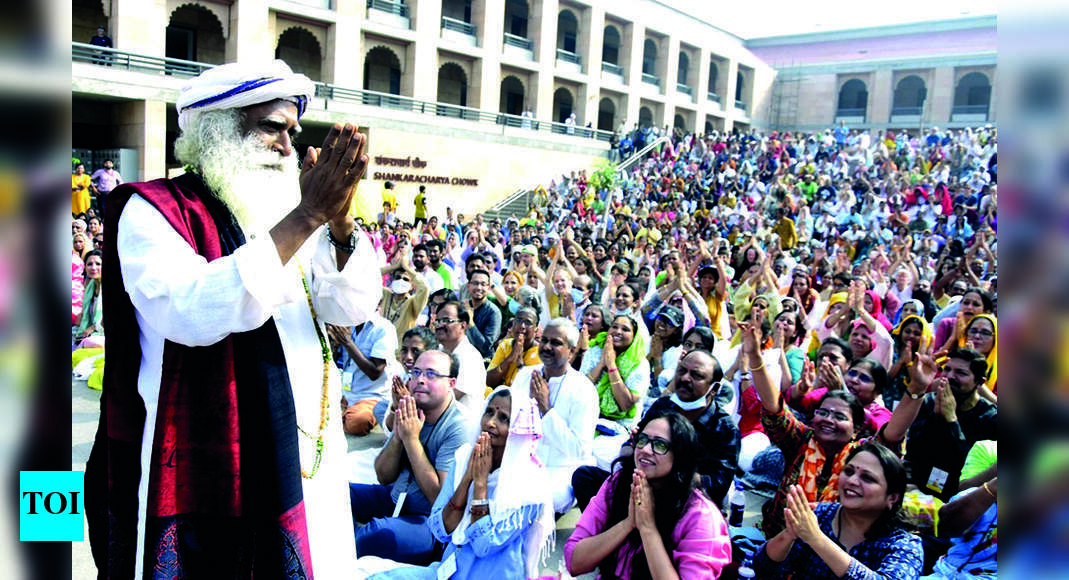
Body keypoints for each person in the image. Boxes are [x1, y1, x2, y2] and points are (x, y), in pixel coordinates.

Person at [85, 60, 381, 577]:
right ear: (218, 130)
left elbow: (351, 305)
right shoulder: (154, 210)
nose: (290, 147)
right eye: (273, 129)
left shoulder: (282, 211)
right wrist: (307, 216)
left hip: (306, 454)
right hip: (207, 464)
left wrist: (338, 220)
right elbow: (193, 310)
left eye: (293, 131)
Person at [740, 313, 926, 538]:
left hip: (833, 552)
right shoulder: (801, 439)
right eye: (823, 412)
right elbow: (773, 406)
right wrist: (755, 358)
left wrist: (916, 391)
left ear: (856, 428)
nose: (828, 419)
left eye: (839, 416)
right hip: (779, 537)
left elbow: (892, 435)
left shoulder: (862, 454)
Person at [368, 387, 556, 580]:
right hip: (450, 571)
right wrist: (467, 478)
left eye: (503, 418)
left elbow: (484, 544)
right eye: (489, 412)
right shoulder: (465, 457)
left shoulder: (532, 485)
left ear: (518, 429)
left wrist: (480, 485)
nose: (490, 423)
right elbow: (442, 530)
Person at [564, 409, 733, 578]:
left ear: (681, 456)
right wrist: (627, 524)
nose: (645, 449)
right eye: (642, 440)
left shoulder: (701, 517)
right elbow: (574, 562)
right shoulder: (617, 484)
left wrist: (648, 528)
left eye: (660, 445)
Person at [574, 349, 740, 510]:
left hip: (683, 500)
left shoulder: (725, 429)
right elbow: (631, 443)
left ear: (715, 388)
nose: (685, 378)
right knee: (585, 477)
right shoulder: (664, 405)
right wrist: (632, 449)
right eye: (681, 371)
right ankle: (606, 531)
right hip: (642, 486)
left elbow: (718, 485)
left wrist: (668, 471)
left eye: (696, 375)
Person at [352, 350, 471, 565]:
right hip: (395, 497)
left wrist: (412, 440)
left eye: (431, 374)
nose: (420, 380)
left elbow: (439, 497)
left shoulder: (459, 426)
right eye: (416, 372)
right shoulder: (411, 409)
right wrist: (399, 436)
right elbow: (383, 476)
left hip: (430, 521)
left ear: (451, 383)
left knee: (374, 534)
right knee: (338, 496)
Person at [753, 442, 924, 579]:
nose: (852, 481)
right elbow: (761, 568)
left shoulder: (905, 545)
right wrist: (789, 534)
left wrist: (817, 539)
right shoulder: (819, 515)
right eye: (848, 472)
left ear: (892, 497)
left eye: (867, 478)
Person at [511, 318, 599, 512]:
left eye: (556, 342)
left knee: (535, 499)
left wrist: (546, 409)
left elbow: (578, 450)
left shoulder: (583, 389)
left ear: (572, 351)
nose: (547, 347)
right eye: (544, 340)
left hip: (561, 469)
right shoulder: (526, 374)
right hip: (522, 461)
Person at [329, 311, 399, 436]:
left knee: (358, 422)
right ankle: (345, 414)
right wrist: (335, 344)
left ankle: (347, 416)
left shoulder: (383, 328)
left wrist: (347, 343)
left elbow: (375, 372)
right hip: (346, 393)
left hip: (371, 397)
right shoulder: (350, 324)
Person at [581, 314, 650, 430]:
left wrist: (611, 365)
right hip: (588, 417)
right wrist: (602, 363)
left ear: (634, 336)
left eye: (625, 329)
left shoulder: (639, 363)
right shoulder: (596, 350)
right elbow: (581, 388)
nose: (618, 332)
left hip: (620, 426)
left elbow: (625, 404)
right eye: (614, 327)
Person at [434, 301, 488, 413]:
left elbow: (451, 397)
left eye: (446, 321)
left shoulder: (470, 357)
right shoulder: (438, 351)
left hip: (461, 423)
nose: (439, 325)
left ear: (463, 326)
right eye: (438, 321)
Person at [486, 306, 540, 388]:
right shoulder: (505, 345)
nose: (522, 326)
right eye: (519, 320)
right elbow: (488, 381)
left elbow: (531, 389)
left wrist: (520, 363)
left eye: (528, 322)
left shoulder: (541, 353)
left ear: (535, 330)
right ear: (513, 324)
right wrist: (509, 359)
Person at [463, 269, 502, 359]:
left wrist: (470, 322)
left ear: (488, 288)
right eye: (475, 283)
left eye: (483, 284)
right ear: (468, 286)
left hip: (483, 360)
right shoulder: (463, 307)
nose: (479, 288)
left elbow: (485, 347)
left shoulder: (493, 312)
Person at [73, 249, 104, 348]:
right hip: (88, 332)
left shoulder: (112, 289)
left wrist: (94, 327)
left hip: (103, 333)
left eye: (98, 264)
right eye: (89, 264)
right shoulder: (90, 287)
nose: (93, 268)